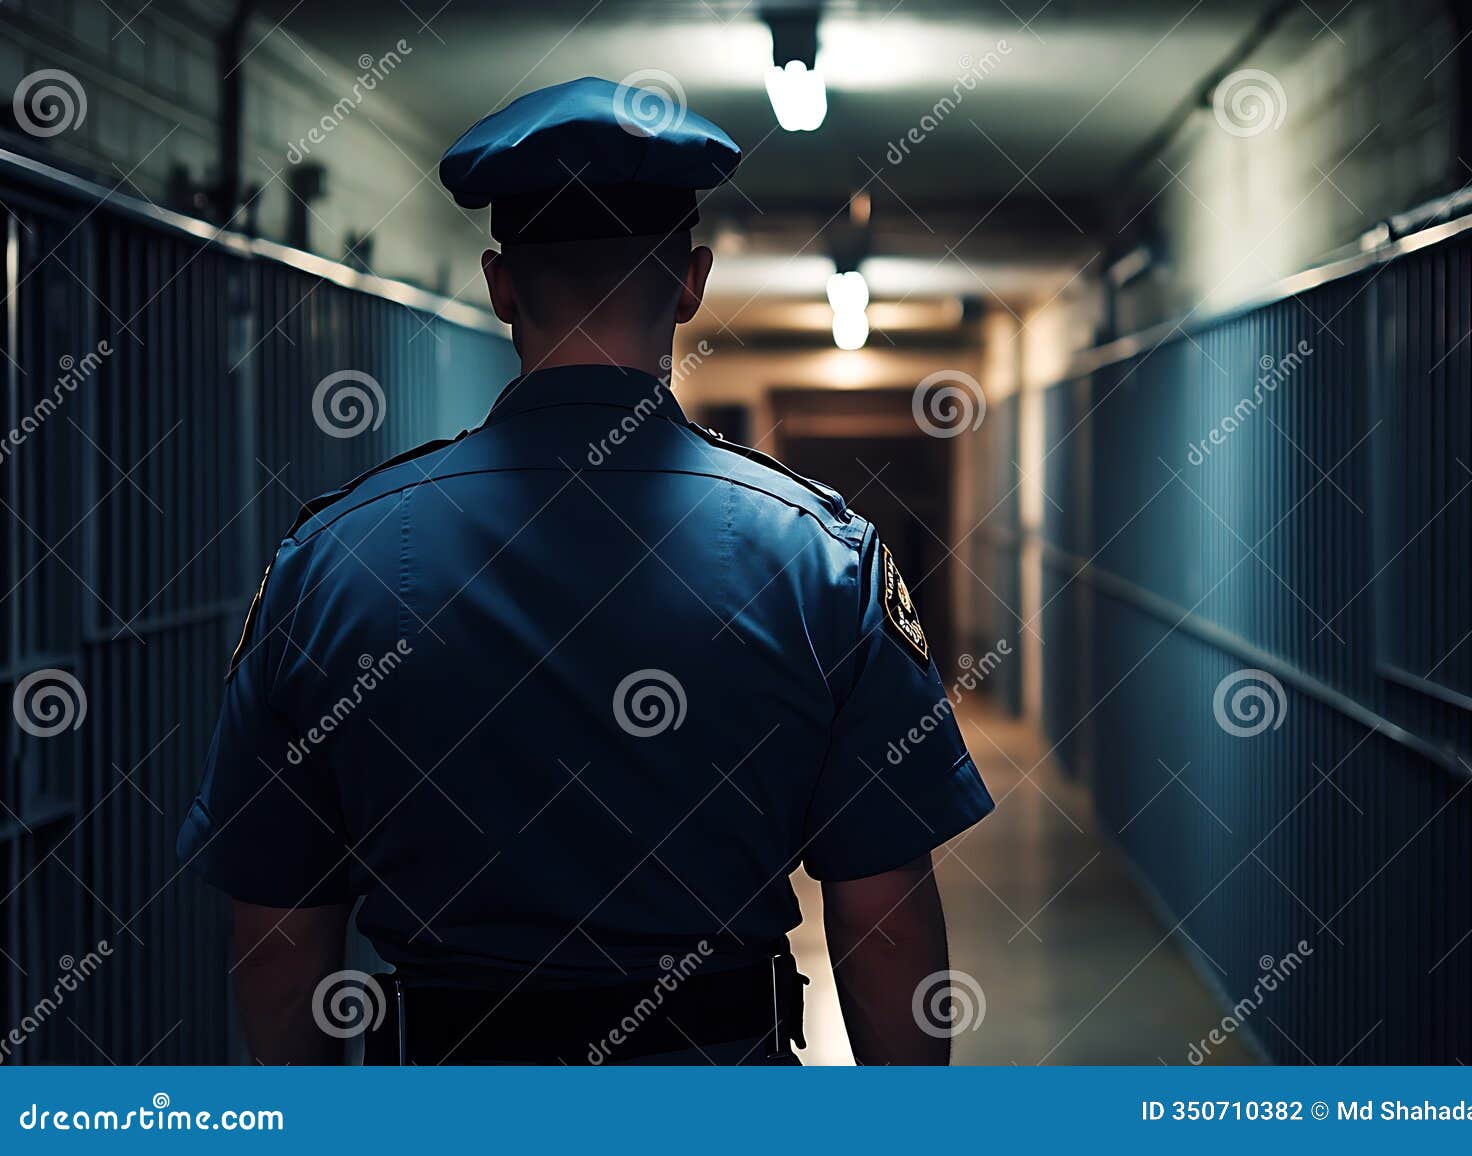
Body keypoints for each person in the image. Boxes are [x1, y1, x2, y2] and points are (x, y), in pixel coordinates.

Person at [177, 75, 993, 1066]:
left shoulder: (331, 559)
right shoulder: (821, 557)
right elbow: (882, 918)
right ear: (689, 283)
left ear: (500, 284)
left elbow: (277, 941)